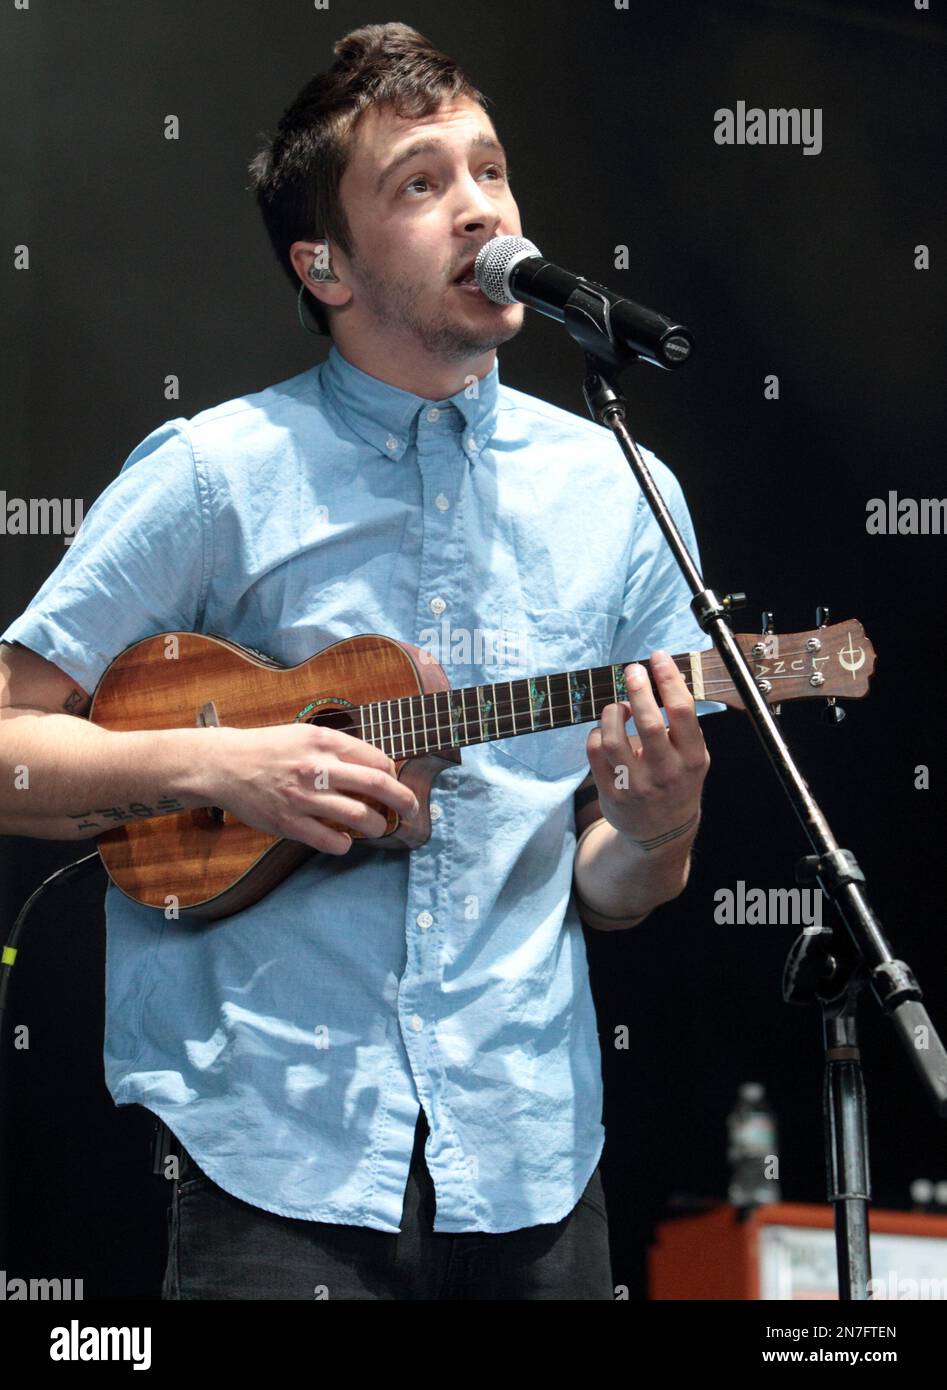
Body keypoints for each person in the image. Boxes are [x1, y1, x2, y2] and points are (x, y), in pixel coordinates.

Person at [0, 23, 721, 1299]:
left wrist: (658, 830)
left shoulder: (626, 491)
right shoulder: (215, 474)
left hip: (532, 1166)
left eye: (488, 171)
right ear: (322, 265)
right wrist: (232, 762)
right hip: (270, 1155)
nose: (476, 207)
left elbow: (612, 888)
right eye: (419, 182)